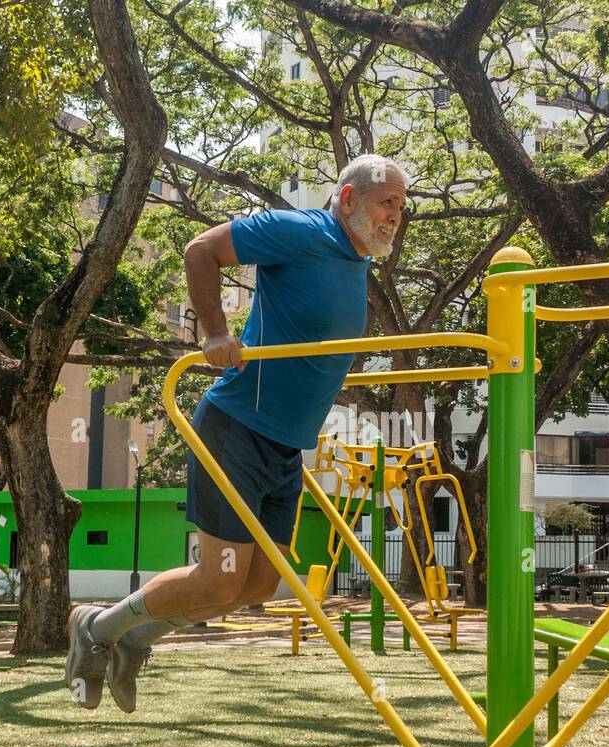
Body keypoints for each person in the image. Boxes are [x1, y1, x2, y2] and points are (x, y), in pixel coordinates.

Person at [66, 154, 409, 712]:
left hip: (284, 447)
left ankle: (133, 636)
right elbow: (201, 250)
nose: (395, 216)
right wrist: (215, 332)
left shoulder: (357, 262)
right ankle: (96, 626)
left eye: (400, 206)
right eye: (385, 202)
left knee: (255, 588)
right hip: (237, 429)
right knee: (218, 580)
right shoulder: (299, 229)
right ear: (348, 198)